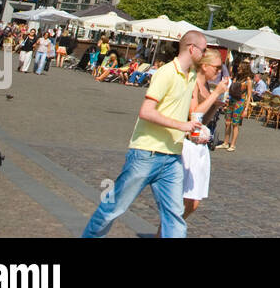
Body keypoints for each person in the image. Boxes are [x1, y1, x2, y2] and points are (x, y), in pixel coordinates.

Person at [83, 30, 211, 238]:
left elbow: (185, 112)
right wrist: (182, 126)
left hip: (172, 157)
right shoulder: (166, 73)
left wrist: (193, 131)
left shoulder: (192, 75)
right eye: (204, 50)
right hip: (146, 153)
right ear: (191, 48)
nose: (205, 55)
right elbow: (146, 112)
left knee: (175, 216)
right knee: (113, 208)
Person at [164, 49, 230, 236]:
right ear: (205, 66)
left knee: (193, 202)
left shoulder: (206, 86)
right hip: (187, 145)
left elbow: (203, 121)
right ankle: (166, 231)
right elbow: (193, 114)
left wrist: (215, 106)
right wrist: (215, 94)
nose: (219, 72)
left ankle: (166, 230)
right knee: (184, 200)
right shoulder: (192, 83)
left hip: (200, 146)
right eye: (217, 68)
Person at [218, 62, 253, 151]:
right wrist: (227, 99)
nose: (238, 69)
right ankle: (226, 143)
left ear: (244, 69)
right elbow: (231, 89)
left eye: (240, 68)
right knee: (227, 123)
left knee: (235, 124)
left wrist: (246, 109)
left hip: (239, 103)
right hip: (231, 101)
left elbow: (249, 95)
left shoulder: (248, 81)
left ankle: (233, 145)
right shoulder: (237, 77)